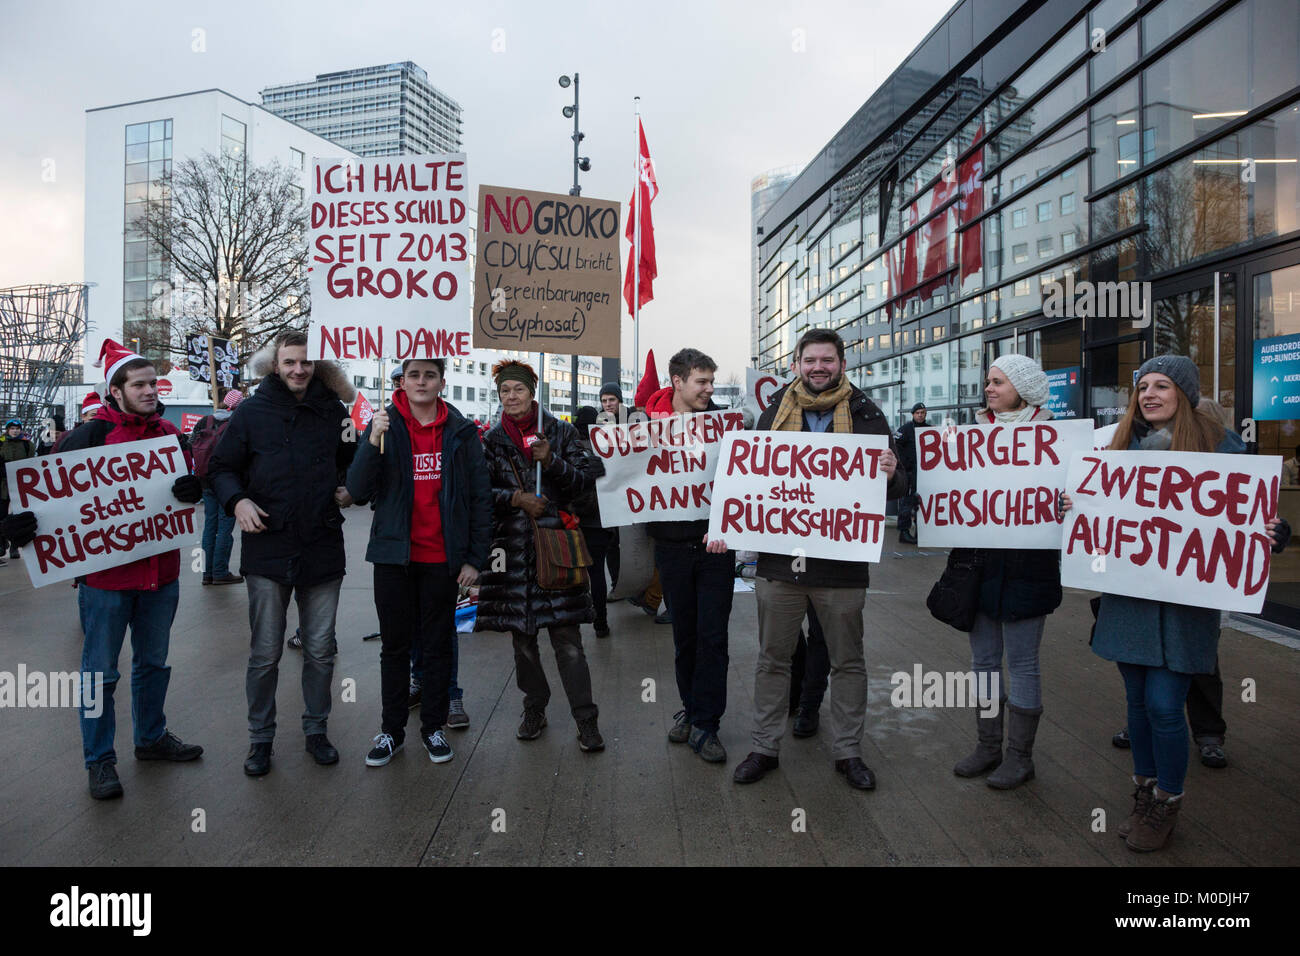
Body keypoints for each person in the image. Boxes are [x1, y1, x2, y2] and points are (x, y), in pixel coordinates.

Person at [1062, 354, 1290, 852]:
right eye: (1143, 387)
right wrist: (1075, 508)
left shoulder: (1220, 449)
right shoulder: (1115, 448)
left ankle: (1167, 799)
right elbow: (1097, 514)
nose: (1149, 395)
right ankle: (1143, 792)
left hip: (1186, 607)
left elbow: (1252, 514)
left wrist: (1274, 532)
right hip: (1130, 602)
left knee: (1165, 705)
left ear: (1183, 395)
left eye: (1162, 386)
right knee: (1138, 705)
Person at [1, 340, 204, 799]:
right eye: (140, 385)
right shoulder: (86, 437)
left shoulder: (169, 437)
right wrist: (18, 526)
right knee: (100, 674)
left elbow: (179, 496)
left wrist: (194, 489)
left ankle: (151, 738)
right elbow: (46, 501)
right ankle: (100, 761)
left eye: (153, 383)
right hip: (106, 582)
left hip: (161, 575)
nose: (151, 390)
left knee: (153, 664)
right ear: (116, 391)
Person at [732, 329, 905, 790]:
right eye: (810, 360)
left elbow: (902, 485)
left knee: (848, 662)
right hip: (779, 566)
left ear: (842, 365)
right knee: (773, 660)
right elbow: (749, 483)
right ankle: (764, 747)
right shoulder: (772, 415)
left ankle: (848, 752)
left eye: (828, 360)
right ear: (796, 365)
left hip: (842, 568)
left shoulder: (868, 414)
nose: (818, 368)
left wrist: (893, 473)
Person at [208, 330, 357, 777]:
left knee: (320, 651)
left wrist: (353, 486)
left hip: (321, 547)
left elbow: (353, 463)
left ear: (318, 367)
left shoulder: (334, 411)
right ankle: (261, 740)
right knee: (265, 653)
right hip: (268, 550)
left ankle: (316, 730)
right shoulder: (252, 412)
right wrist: (238, 501)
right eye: (290, 362)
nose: (298, 370)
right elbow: (220, 468)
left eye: (306, 363)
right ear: (275, 365)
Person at [347, 357, 491, 767]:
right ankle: (391, 731)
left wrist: (475, 559)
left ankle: (432, 728)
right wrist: (372, 439)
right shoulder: (385, 426)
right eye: (414, 375)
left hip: (443, 561)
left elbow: (480, 499)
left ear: (442, 381)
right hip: (394, 558)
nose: (422, 382)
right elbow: (357, 490)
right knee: (394, 648)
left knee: (437, 645)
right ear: (402, 381)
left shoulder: (461, 432)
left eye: (430, 375)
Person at [942, 354, 1062, 790]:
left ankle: (1019, 756)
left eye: (998, 382)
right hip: (981, 567)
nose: (989, 388)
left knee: (1024, 664)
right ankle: (987, 746)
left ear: (1024, 388)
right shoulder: (972, 436)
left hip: (1030, 568)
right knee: (984, 662)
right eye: (988, 381)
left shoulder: (1057, 438)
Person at [475, 360, 604, 752]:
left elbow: (586, 483)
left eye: (518, 390)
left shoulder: (561, 432)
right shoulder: (491, 440)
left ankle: (586, 719)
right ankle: (535, 707)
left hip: (556, 550)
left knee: (568, 642)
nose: (511, 397)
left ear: (533, 392)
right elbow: (479, 494)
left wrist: (552, 462)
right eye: (504, 392)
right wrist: (515, 498)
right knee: (523, 643)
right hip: (512, 556)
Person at [641, 348, 734, 763]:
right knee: (685, 638)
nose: (709, 390)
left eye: (711, 382)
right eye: (702, 382)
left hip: (715, 548)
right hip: (671, 548)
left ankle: (707, 724)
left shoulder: (725, 425)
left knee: (712, 638)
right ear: (677, 381)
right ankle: (691, 709)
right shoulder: (643, 426)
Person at [193, 388, 244, 586]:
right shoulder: (235, 423)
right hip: (227, 482)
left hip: (205, 480)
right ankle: (221, 571)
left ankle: (207, 573)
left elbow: (191, 445)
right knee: (225, 527)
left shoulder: (204, 420)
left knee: (210, 526)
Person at [573, 405, 614, 638]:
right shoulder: (606, 449)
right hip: (601, 522)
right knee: (597, 573)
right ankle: (601, 622)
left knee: (574, 575)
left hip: (575, 522)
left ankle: (574, 619)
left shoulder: (570, 450)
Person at [1, 417, 36, 562]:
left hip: (20, 484)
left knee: (18, 515)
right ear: (8, 430)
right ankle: (2, 544)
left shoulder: (27, 444)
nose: (15, 431)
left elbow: (31, 462)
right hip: (3, 484)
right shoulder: (2, 443)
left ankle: (15, 545)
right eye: (12, 429)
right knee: (2, 514)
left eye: (17, 429)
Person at [895, 402, 927, 544]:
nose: (920, 415)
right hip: (909, 473)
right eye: (917, 413)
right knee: (906, 503)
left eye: (922, 413)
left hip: (924, 473)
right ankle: (904, 532)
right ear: (913, 414)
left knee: (922, 504)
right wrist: (904, 464)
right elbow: (895, 446)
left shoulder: (929, 429)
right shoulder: (905, 429)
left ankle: (922, 533)